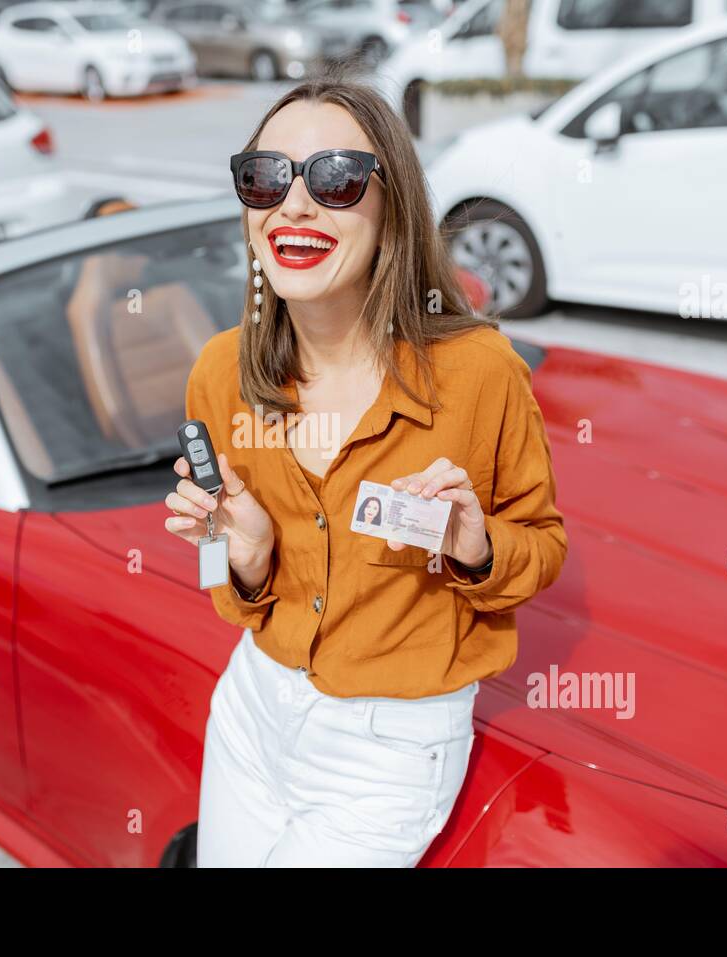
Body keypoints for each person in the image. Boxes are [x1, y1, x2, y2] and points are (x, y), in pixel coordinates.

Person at [164, 72, 568, 867]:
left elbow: (544, 544)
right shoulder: (219, 370)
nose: (295, 205)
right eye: (265, 176)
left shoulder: (481, 372)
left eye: (335, 178)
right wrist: (243, 557)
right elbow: (219, 574)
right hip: (252, 706)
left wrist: (475, 545)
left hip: (388, 750)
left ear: (393, 208)